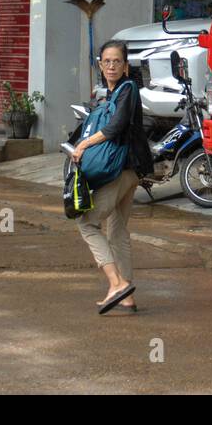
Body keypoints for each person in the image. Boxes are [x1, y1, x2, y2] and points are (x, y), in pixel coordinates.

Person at [71, 39, 146, 314]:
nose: (111, 66)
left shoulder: (127, 90)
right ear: (100, 65)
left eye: (117, 61)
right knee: (117, 231)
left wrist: (84, 144)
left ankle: (116, 282)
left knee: (87, 223)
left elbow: (115, 128)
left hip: (121, 171)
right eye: (107, 61)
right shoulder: (112, 93)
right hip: (130, 170)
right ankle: (126, 295)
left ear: (125, 65)